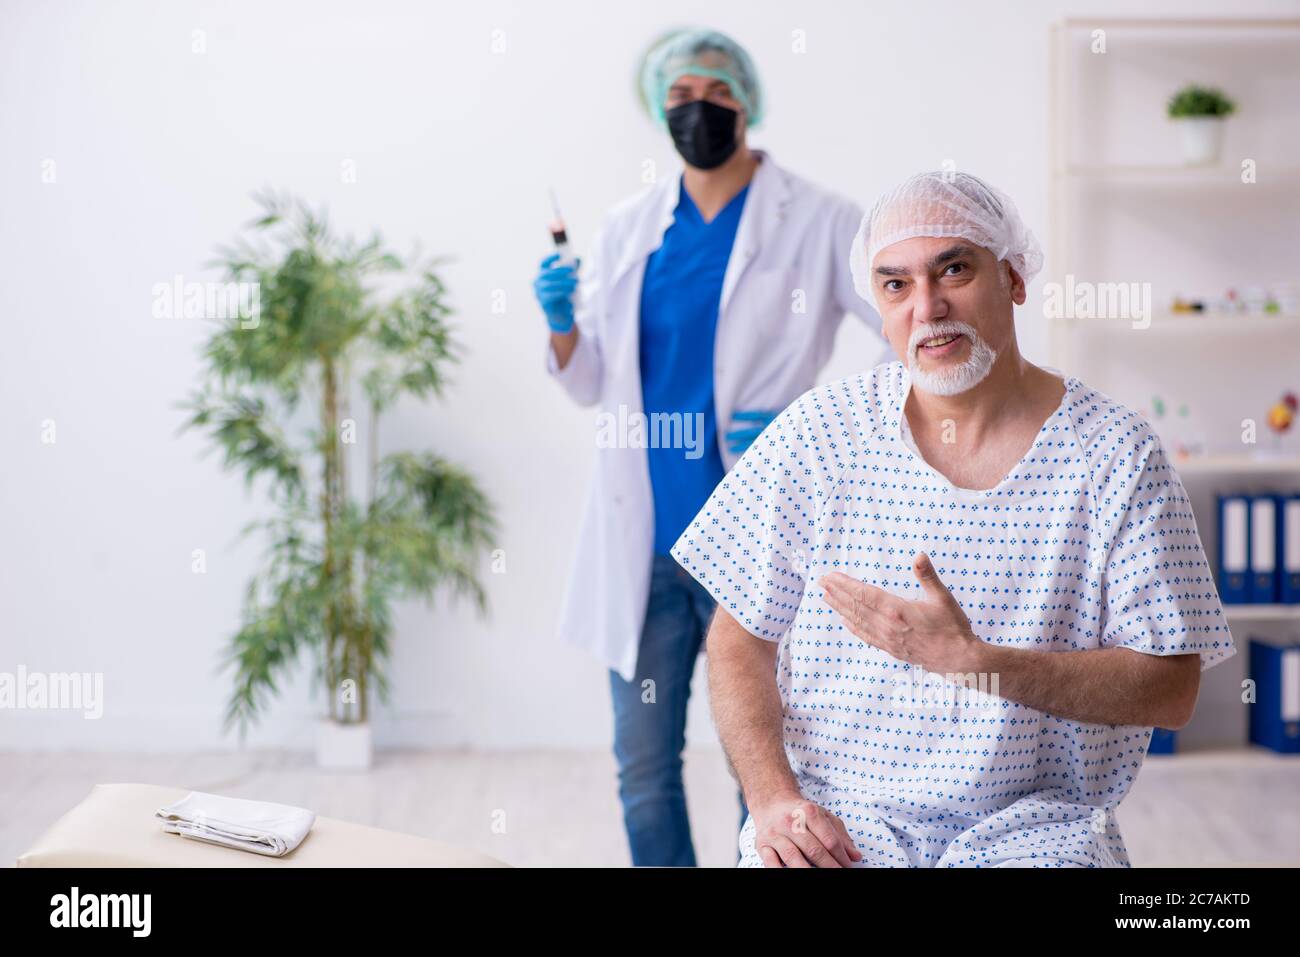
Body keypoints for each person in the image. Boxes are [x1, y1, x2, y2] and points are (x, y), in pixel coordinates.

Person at [671, 170, 1237, 867]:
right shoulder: (819, 436)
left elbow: (1173, 687)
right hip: (843, 817)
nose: (928, 307)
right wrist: (771, 798)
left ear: (1014, 277)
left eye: (955, 269)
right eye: (896, 284)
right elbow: (738, 638)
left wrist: (982, 666)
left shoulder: (1116, 456)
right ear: (877, 305)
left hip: (1036, 830)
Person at [533, 28, 882, 867]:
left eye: (717, 92)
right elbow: (592, 387)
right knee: (644, 765)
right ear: (659, 109)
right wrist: (560, 323)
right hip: (646, 540)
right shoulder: (629, 228)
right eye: (681, 95)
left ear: (748, 102)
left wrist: (817, 427)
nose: (699, 109)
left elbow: (907, 331)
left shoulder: (823, 218)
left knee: (763, 773)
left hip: (754, 543)